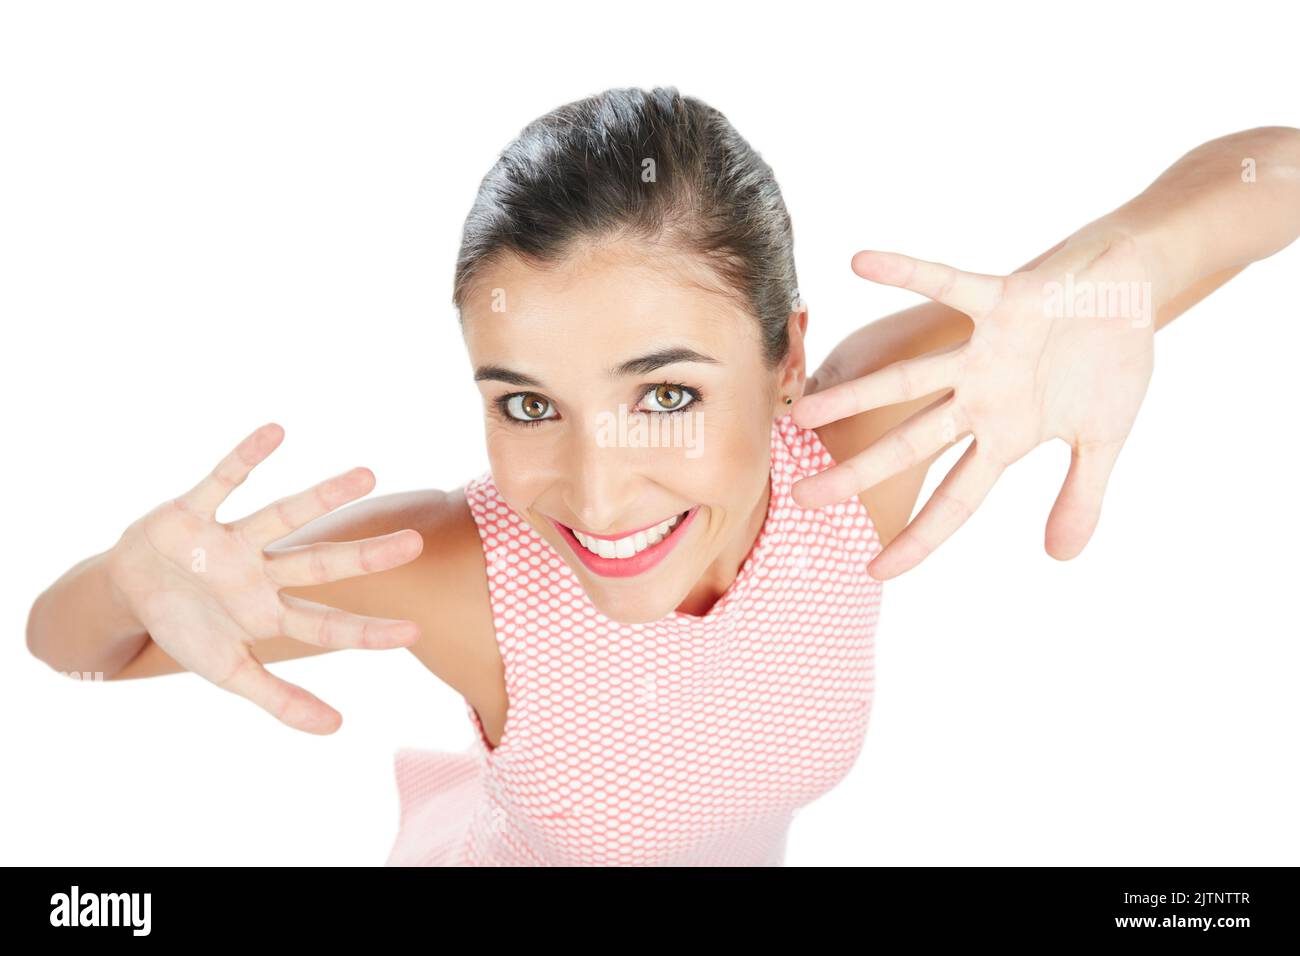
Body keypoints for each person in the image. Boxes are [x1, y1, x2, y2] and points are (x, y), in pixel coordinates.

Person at [25, 87, 1300, 865]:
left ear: (789, 357)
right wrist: (123, 578)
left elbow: (1276, 167)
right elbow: (72, 646)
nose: (595, 486)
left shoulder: (860, 451)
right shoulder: (471, 574)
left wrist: (1116, 264)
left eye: (668, 393)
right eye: (527, 403)